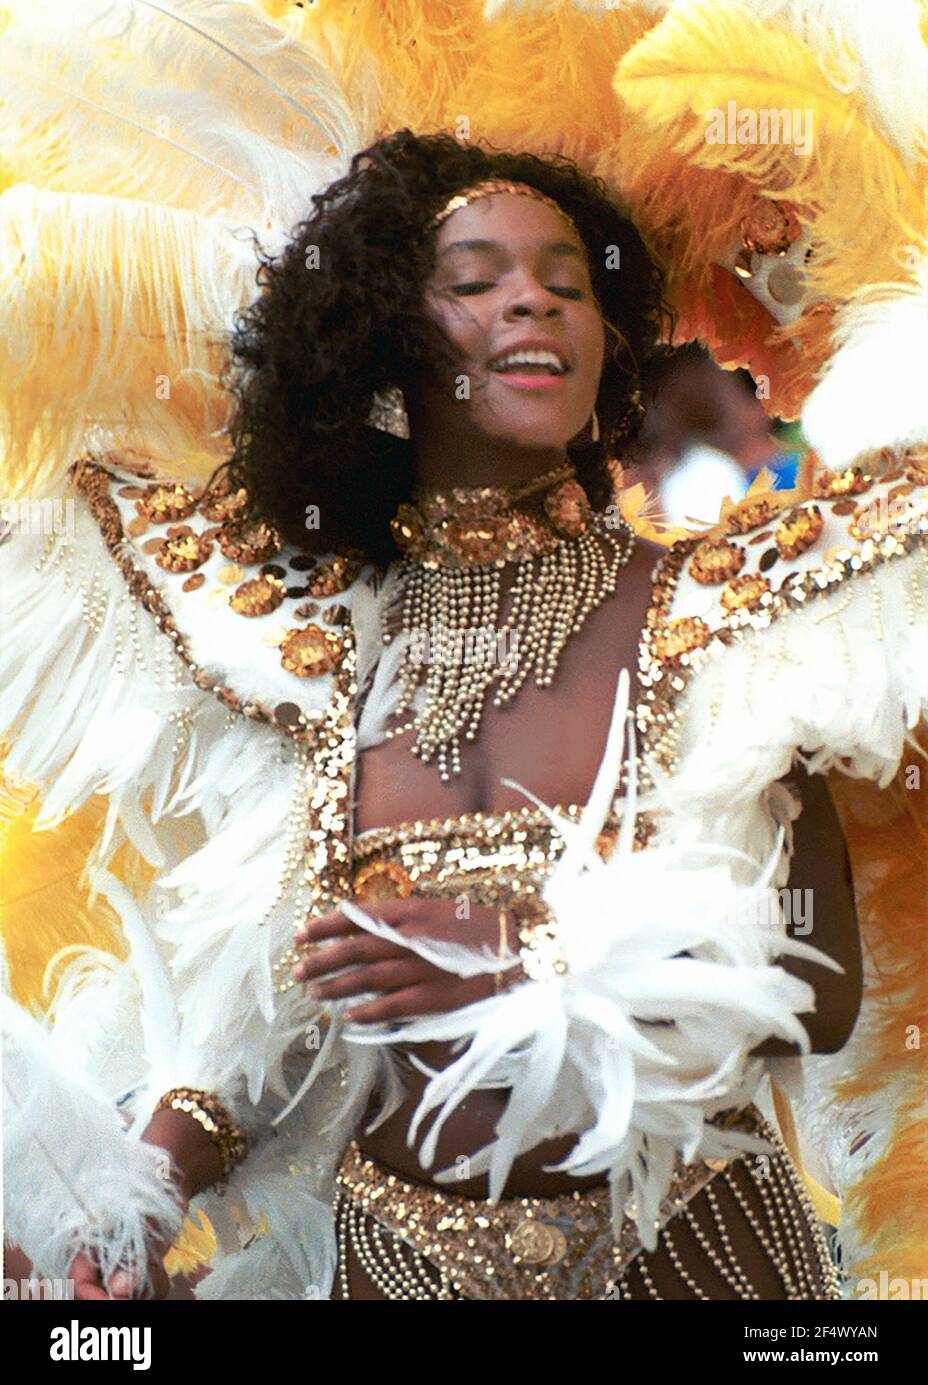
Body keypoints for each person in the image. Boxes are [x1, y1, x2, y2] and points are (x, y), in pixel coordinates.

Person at [2, 3, 926, 1302]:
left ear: (609, 343)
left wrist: (514, 964)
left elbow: (817, 984)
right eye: (477, 278)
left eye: (567, 276)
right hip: (389, 1266)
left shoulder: (718, 613)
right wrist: (141, 1194)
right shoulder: (316, 650)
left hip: (690, 1261)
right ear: (386, 354)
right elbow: (278, 1011)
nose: (536, 296)